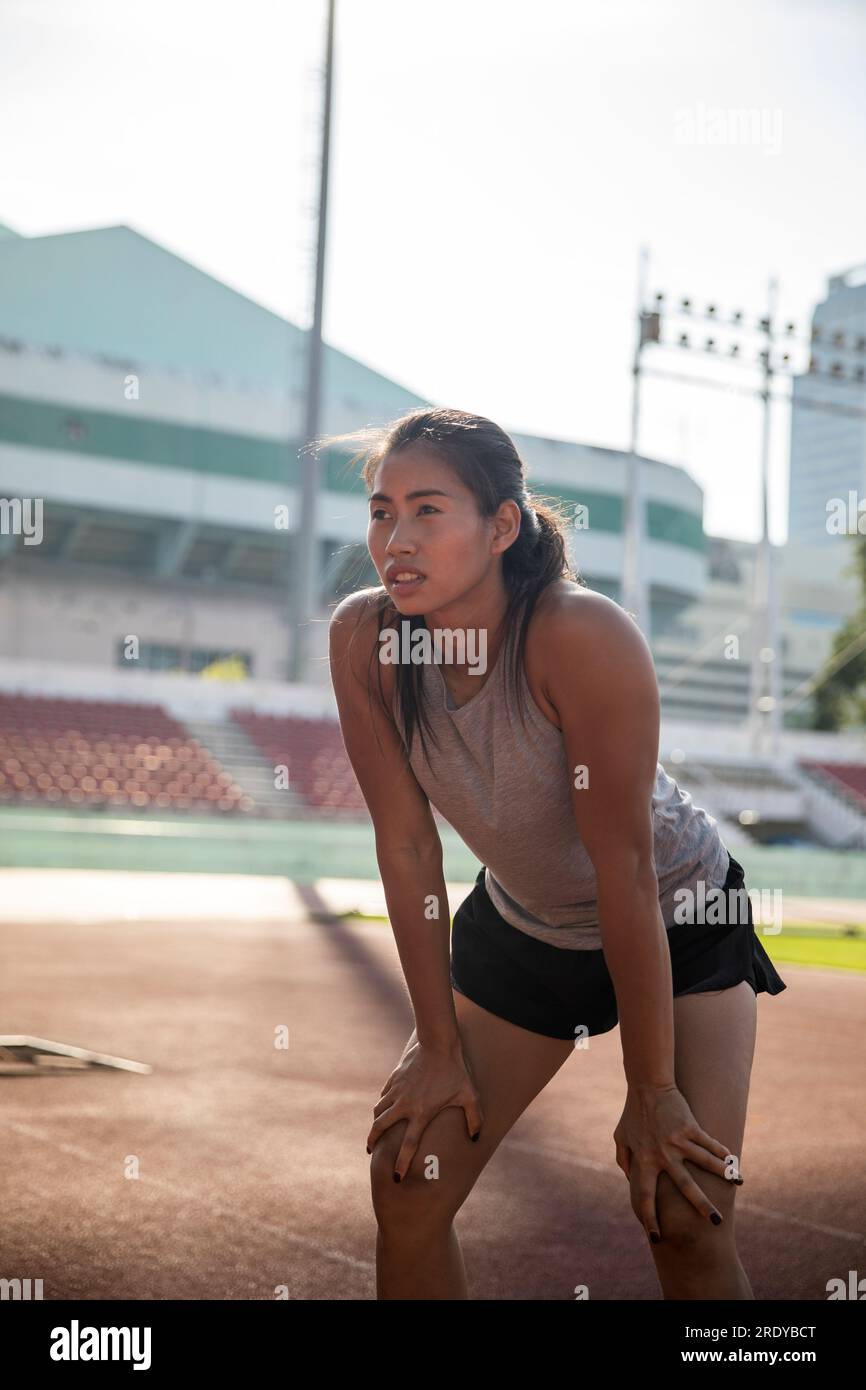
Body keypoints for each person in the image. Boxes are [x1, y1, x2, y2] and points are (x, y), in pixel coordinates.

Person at [327, 405, 786, 1301]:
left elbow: (627, 873)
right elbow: (409, 846)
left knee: (685, 1209)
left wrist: (651, 1088)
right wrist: (434, 1042)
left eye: (428, 510)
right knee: (406, 1183)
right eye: (382, 511)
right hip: (527, 921)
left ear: (502, 526)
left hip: (677, 914)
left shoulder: (581, 635)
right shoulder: (366, 640)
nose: (396, 539)